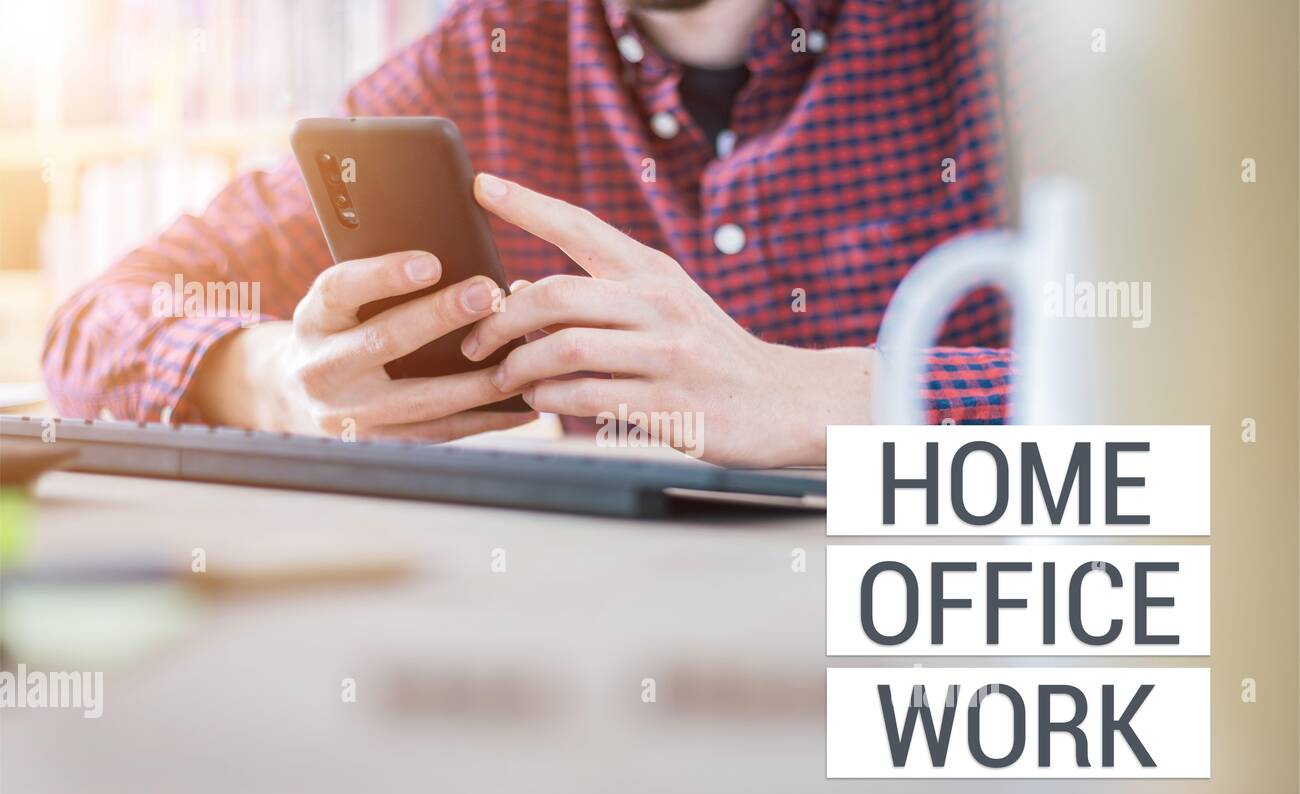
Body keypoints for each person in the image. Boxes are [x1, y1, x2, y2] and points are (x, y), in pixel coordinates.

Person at [42, 0, 1012, 467]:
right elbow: (92, 322)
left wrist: (842, 394)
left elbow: (1163, 369)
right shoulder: (481, 58)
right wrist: (281, 380)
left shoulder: (1017, 40)